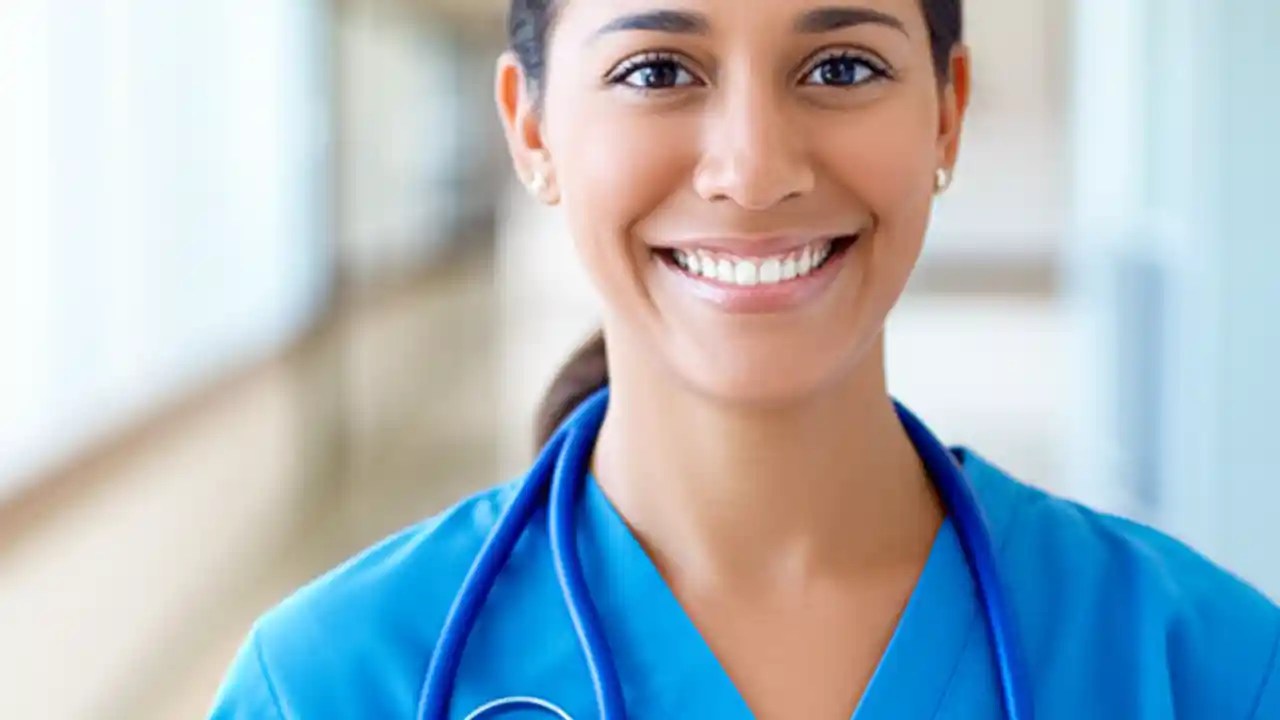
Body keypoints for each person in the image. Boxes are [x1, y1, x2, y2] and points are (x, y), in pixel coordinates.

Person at [209, 0, 1280, 717]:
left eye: (842, 65)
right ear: (529, 130)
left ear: (945, 114)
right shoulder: (328, 686)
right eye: (657, 69)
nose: (754, 169)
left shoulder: (1207, 669)